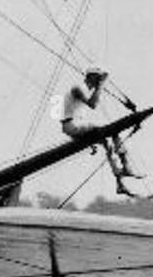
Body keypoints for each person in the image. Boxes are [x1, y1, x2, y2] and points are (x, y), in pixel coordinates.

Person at [61, 66, 142, 196]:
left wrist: (88, 140)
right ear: (90, 77)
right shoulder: (77, 88)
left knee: (108, 145)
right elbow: (93, 104)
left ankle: (120, 183)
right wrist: (101, 86)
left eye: (100, 79)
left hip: (75, 127)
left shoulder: (84, 91)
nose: (98, 81)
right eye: (97, 79)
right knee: (111, 131)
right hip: (72, 127)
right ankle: (126, 166)